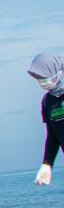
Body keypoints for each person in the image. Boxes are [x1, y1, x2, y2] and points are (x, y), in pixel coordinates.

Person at [28, 53, 64, 187]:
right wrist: (47, 164)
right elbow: (53, 135)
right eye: (38, 78)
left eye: (43, 77)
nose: (42, 81)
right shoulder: (47, 101)